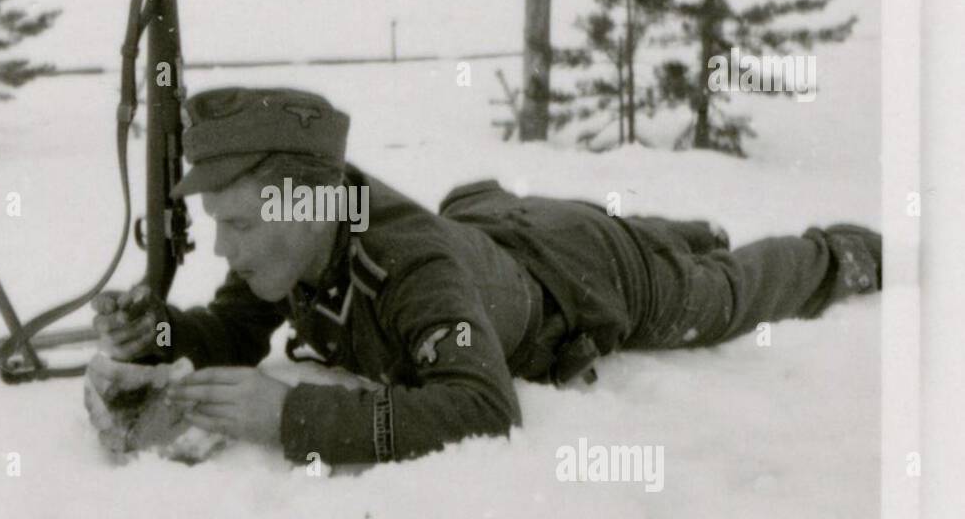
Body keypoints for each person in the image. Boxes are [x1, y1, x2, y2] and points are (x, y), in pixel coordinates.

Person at [88, 87, 881, 466]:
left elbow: (484, 407)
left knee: (718, 295)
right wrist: (155, 333)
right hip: (488, 231)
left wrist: (293, 416)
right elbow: (230, 326)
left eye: (241, 224)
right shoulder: (305, 228)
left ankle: (833, 253)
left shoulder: (404, 268)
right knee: (534, 230)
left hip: (581, 277)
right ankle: (673, 235)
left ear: (307, 202)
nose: (225, 247)